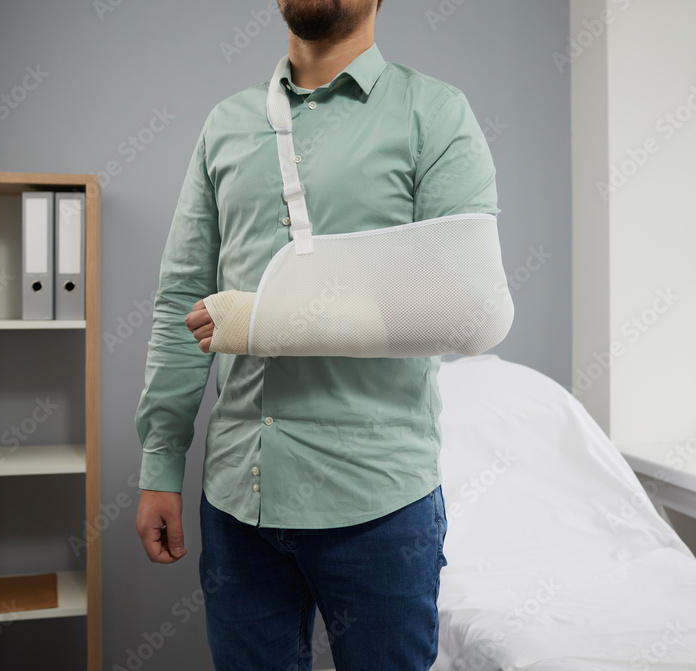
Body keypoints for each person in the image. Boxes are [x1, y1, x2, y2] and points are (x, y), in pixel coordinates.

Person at [133, 1, 499, 668]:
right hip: (239, 504)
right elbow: (178, 305)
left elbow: (465, 308)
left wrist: (269, 319)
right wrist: (160, 463)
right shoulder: (227, 126)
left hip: (379, 505)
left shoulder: (434, 115)